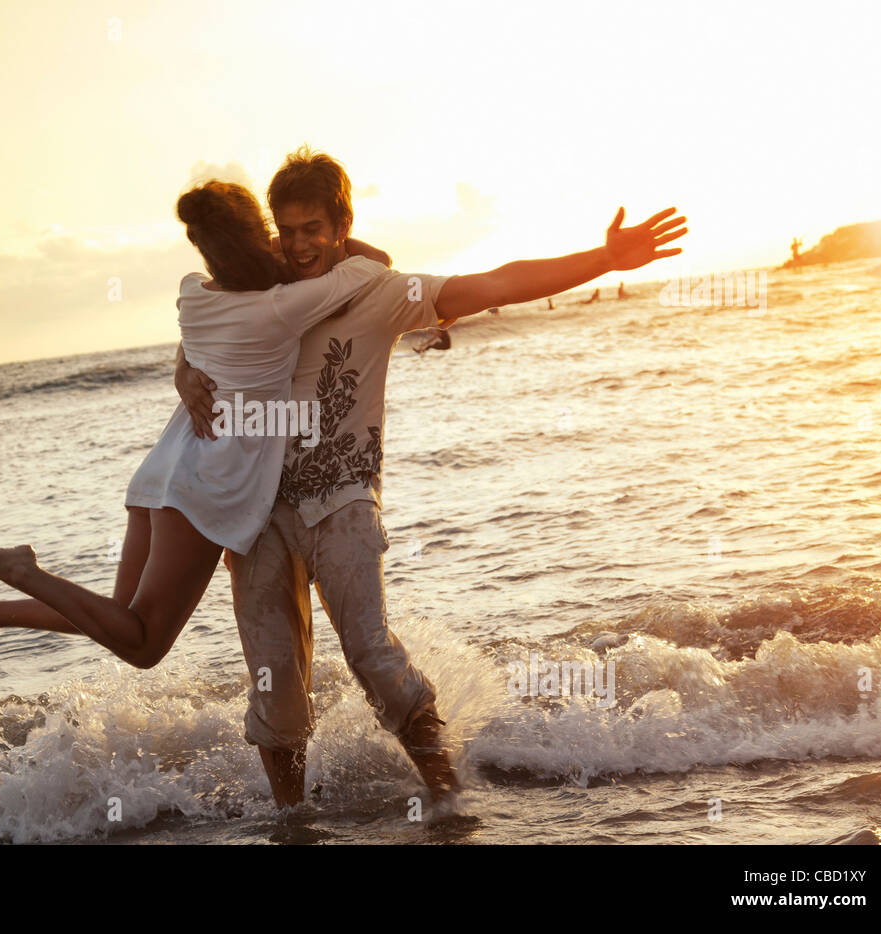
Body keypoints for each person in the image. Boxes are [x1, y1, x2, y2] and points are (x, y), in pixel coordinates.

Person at [175, 147, 687, 807]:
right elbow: (201, 331)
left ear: (341, 225)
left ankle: (446, 797)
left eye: (314, 229)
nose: (299, 245)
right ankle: (292, 821)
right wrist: (183, 373)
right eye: (288, 230)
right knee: (273, 681)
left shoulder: (381, 293)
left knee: (370, 654)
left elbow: (494, 284)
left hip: (343, 502)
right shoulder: (256, 285)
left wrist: (605, 259)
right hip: (257, 510)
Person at [0, 180, 389, 673]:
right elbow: (377, 263)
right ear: (260, 232)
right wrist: (312, 238)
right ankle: (26, 573)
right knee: (143, 646)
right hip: (203, 487)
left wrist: (182, 369)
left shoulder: (192, 293)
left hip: (162, 473)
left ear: (202, 245)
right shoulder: (284, 303)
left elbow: (216, 324)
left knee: (117, 617)